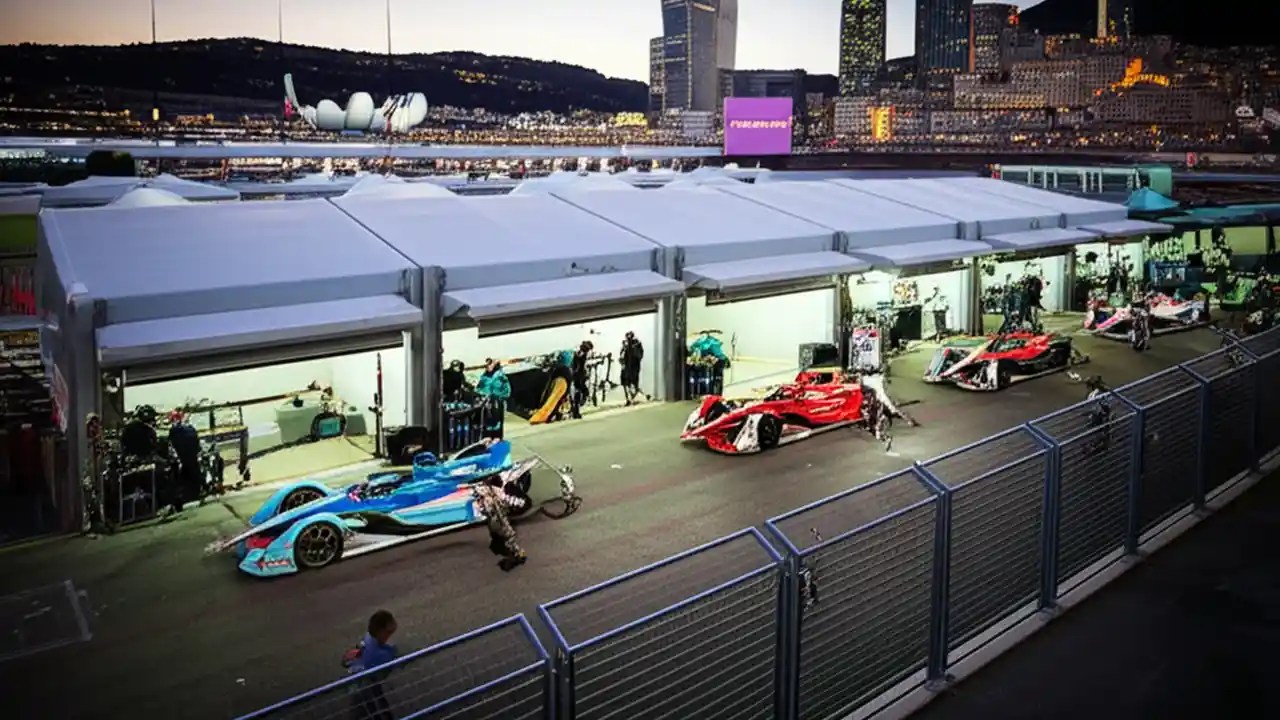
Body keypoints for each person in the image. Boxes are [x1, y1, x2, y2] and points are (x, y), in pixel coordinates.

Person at [342, 610, 399, 720]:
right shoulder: (377, 653)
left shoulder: (367, 640)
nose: (388, 637)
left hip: (359, 686)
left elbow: (347, 661)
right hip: (366, 689)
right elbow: (390, 663)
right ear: (381, 631)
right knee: (375, 711)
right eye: (388, 633)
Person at [474, 478, 529, 571]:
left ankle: (510, 554)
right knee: (507, 535)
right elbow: (506, 499)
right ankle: (512, 554)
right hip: (498, 520)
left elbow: (505, 499)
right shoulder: (492, 492)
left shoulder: (491, 492)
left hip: (497, 520)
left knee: (506, 535)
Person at [475, 359, 511, 440]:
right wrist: (480, 394)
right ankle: (487, 437)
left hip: (497, 402)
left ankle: (497, 437)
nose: (487, 366)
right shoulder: (484, 376)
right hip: (486, 403)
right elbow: (479, 388)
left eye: (489, 365)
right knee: (487, 421)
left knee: (497, 420)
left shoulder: (501, 377)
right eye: (487, 365)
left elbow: (507, 391)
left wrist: (498, 397)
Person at [569, 341, 593, 419]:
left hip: (579, 376)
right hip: (579, 376)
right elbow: (578, 365)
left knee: (580, 393)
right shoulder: (581, 354)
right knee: (581, 393)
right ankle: (576, 411)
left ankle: (576, 410)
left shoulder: (580, 353)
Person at [619, 332, 644, 405]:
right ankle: (628, 399)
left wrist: (633, 349)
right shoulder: (625, 345)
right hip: (626, 368)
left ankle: (632, 397)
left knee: (634, 384)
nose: (628, 339)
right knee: (625, 384)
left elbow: (639, 356)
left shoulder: (637, 345)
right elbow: (621, 357)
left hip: (634, 368)